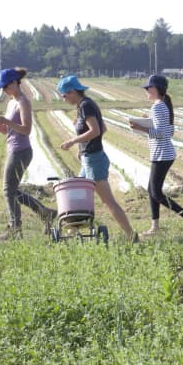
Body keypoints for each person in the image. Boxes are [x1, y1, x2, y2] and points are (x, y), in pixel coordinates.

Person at [57, 75, 137, 242]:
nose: (63, 99)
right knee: (78, 197)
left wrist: (73, 141)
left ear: (72, 91)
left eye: (64, 95)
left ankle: (131, 235)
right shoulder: (83, 106)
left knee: (108, 202)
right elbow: (103, 128)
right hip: (89, 158)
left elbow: (96, 131)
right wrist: (82, 147)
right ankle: (73, 234)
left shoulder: (86, 105)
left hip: (94, 160)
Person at [0, 67, 56, 240]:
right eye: (2, 87)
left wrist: (7, 121)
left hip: (21, 151)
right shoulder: (11, 102)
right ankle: (44, 213)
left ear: (15, 83)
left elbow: (26, 129)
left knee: (8, 190)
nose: (4, 90)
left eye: (5, 86)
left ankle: (15, 229)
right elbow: (5, 130)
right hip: (14, 149)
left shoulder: (23, 102)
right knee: (12, 190)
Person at [128, 74, 183, 237]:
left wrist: (141, 128)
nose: (146, 90)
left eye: (148, 87)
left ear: (156, 89)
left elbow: (162, 134)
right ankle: (155, 227)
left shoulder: (158, 106)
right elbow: (168, 130)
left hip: (162, 155)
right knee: (152, 189)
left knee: (156, 193)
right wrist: (148, 121)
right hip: (162, 154)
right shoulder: (161, 106)